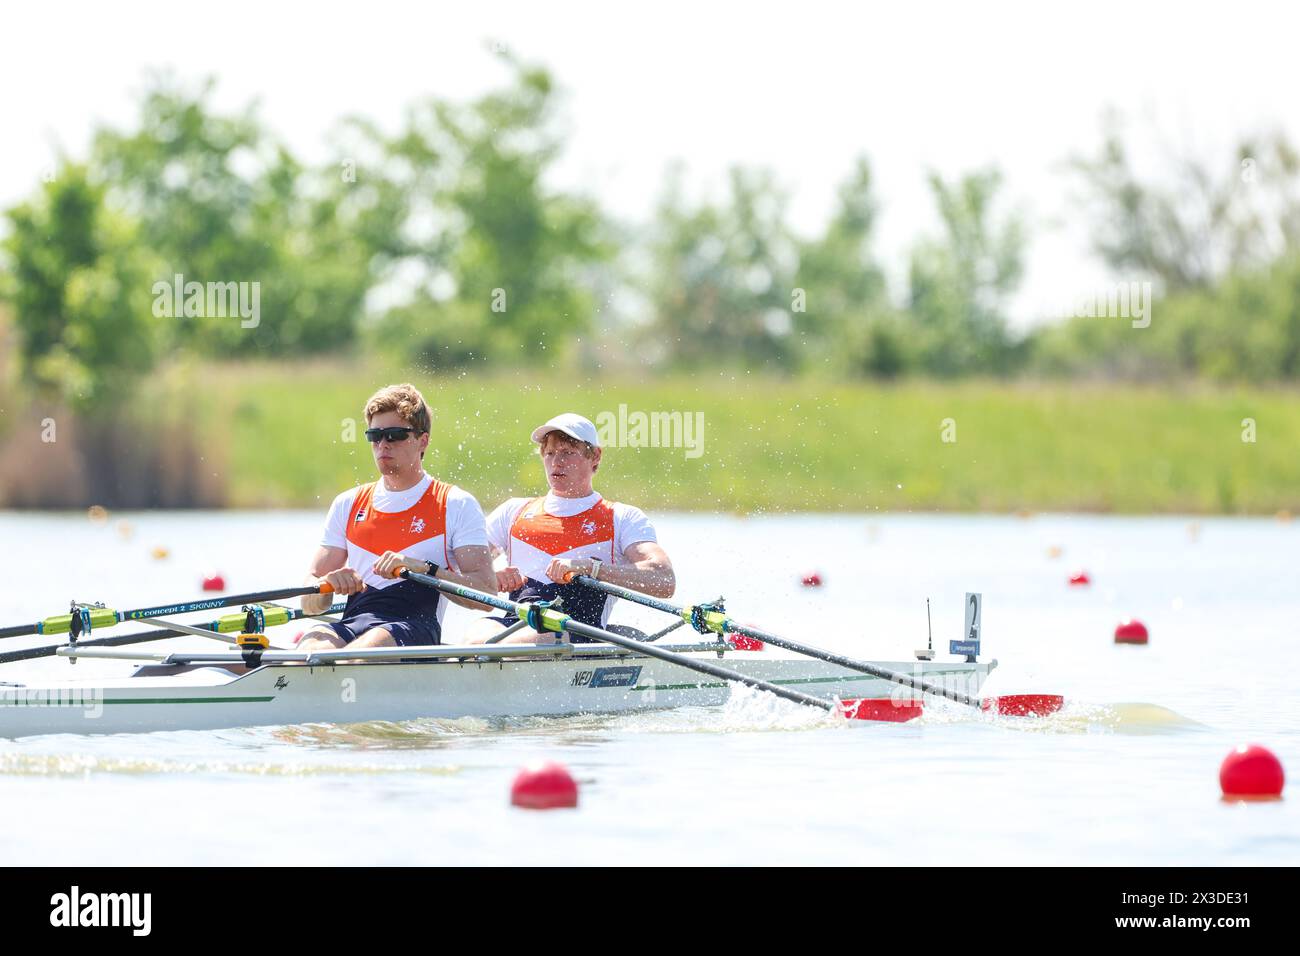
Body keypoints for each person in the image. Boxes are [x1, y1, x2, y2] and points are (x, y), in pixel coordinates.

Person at [299, 384, 496, 650]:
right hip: (354, 620)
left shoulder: (456, 504)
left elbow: (486, 594)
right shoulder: (347, 504)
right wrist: (326, 586)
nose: (382, 445)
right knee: (312, 648)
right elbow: (309, 604)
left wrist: (427, 569)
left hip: (414, 626)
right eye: (375, 436)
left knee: (363, 651)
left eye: (394, 435)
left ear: (422, 441)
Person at [465, 413, 675, 645]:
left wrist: (590, 568)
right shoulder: (513, 511)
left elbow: (663, 579)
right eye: (550, 453)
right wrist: (490, 578)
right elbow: (460, 571)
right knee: (472, 637)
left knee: (531, 640)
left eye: (567, 453)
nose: (556, 462)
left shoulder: (622, 518)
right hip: (515, 624)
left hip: (575, 632)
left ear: (595, 456)